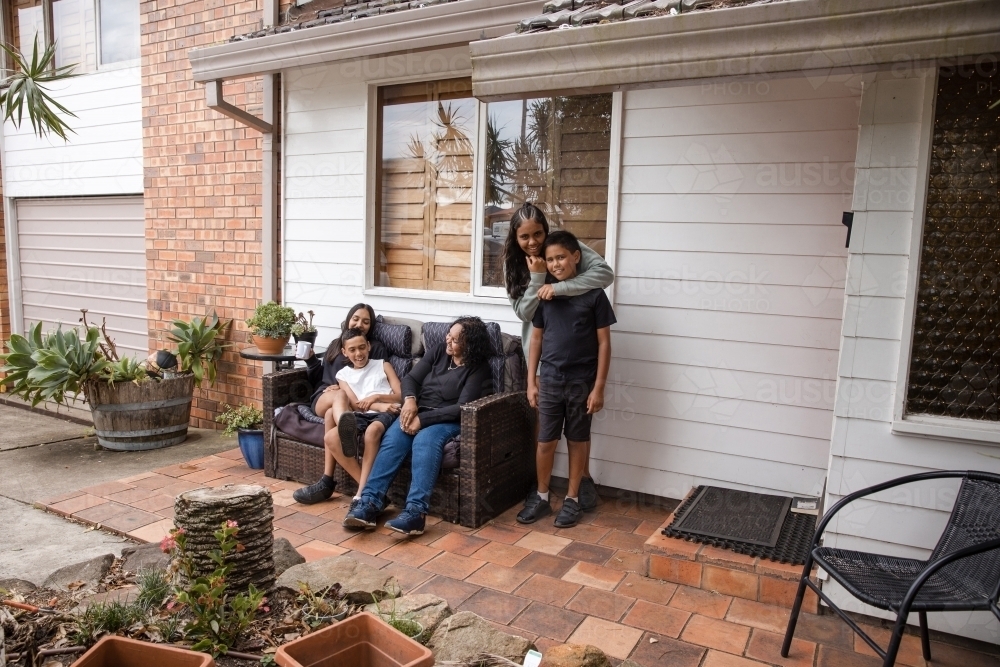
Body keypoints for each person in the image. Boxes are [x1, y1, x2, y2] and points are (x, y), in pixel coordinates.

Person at [502, 202, 614, 512]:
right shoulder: (513, 264)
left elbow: (604, 274)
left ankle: (580, 487)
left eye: (538, 233)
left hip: (579, 361)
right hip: (542, 358)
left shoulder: (563, 248)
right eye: (525, 237)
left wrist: (561, 288)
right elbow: (525, 313)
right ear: (515, 237)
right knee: (546, 431)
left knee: (579, 430)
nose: (533, 242)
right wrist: (538, 280)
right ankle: (541, 491)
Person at [343, 316, 493, 535]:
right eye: (448, 335)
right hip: (418, 411)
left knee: (424, 439)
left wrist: (422, 420)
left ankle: (415, 513)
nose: (448, 341)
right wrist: (410, 400)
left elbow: (462, 407)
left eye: (455, 340)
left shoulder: (479, 368)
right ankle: (370, 502)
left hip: (448, 419)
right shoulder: (439, 351)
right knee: (393, 440)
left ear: (470, 345)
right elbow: (410, 379)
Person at [292, 303, 389, 505]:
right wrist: (310, 361)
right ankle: (347, 429)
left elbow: (374, 379)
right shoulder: (336, 344)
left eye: (366, 321)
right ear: (347, 320)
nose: (360, 324)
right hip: (326, 395)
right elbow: (321, 377)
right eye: (356, 318)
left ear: (370, 327)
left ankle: (327, 480)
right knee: (339, 396)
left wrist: (346, 391)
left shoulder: (375, 347)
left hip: (355, 401)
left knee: (332, 413)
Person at [323, 327, 402, 507]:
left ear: (368, 346)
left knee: (372, 432)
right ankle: (368, 488)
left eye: (361, 347)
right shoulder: (342, 375)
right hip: (361, 414)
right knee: (331, 437)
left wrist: (377, 397)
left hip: (387, 411)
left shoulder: (383, 365)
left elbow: (400, 395)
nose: (358, 353)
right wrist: (376, 403)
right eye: (352, 350)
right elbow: (357, 403)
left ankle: (360, 495)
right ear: (344, 352)